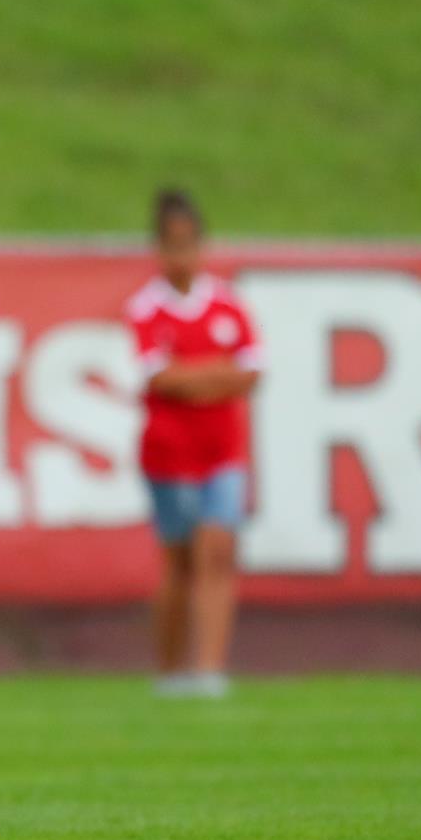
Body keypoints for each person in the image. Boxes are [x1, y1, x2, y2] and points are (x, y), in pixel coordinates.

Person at [127, 189, 262, 698]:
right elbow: (160, 380)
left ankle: (209, 667)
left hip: (222, 451)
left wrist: (191, 378)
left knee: (218, 551)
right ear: (158, 248)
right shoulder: (145, 308)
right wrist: (217, 377)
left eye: (189, 244)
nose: (181, 256)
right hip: (169, 454)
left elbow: (251, 374)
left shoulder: (228, 303)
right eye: (171, 245)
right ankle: (170, 668)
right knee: (179, 560)